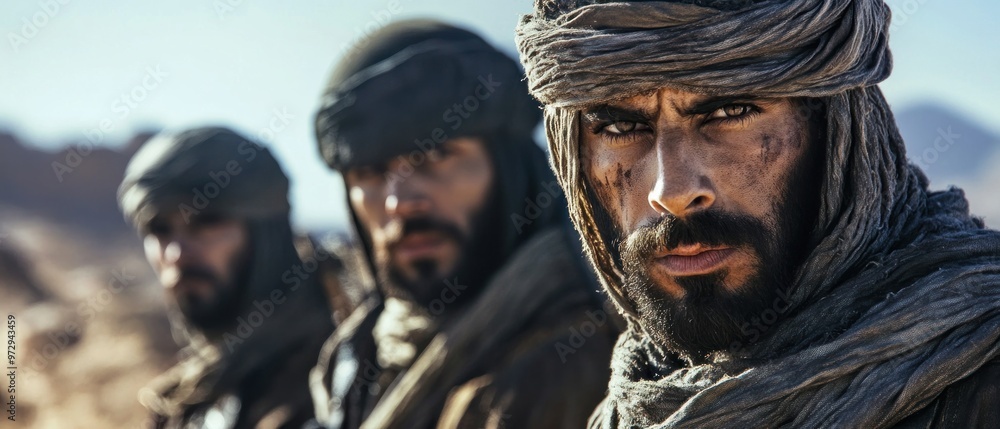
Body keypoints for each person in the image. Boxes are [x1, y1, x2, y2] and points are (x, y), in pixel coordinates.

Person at [516, 0, 1000, 427]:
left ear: (836, 131)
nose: (673, 193)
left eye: (731, 113)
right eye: (621, 127)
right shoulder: (629, 404)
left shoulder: (982, 366)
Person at [309, 20, 617, 429]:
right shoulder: (351, 361)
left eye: (436, 156)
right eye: (370, 172)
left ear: (509, 168)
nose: (400, 203)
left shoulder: (582, 359)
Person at [118, 127, 338, 428]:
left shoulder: (342, 373)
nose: (176, 254)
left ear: (266, 235)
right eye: (159, 230)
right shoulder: (187, 398)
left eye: (206, 223)